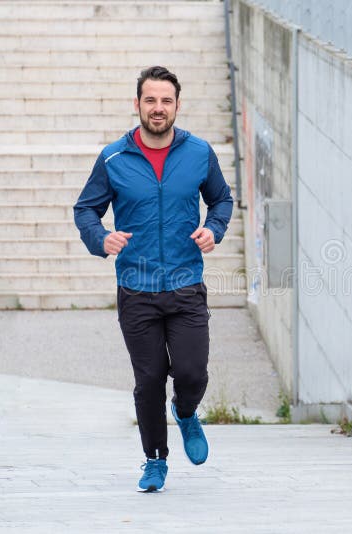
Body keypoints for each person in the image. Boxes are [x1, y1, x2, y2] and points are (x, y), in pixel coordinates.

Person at [73, 66, 233, 493]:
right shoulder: (113, 158)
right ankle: (155, 460)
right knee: (147, 381)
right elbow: (85, 209)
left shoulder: (199, 153)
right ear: (137, 104)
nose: (158, 108)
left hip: (185, 285)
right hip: (136, 289)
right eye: (150, 100)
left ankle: (185, 411)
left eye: (166, 101)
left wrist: (214, 229)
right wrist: (100, 237)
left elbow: (221, 199)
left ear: (177, 106)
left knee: (192, 372)